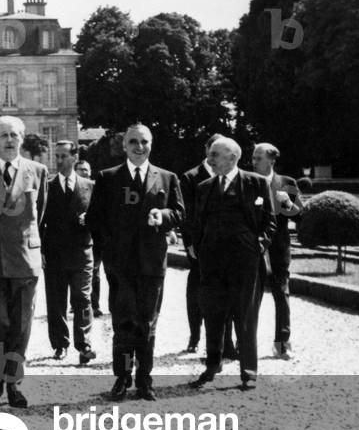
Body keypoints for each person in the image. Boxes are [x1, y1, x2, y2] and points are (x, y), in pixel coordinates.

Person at [86, 123, 184, 401]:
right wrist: (110, 247)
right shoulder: (108, 177)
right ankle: (123, 377)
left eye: (144, 142)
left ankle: (144, 379)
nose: (139, 147)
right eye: (133, 142)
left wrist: (163, 216)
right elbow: (95, 218)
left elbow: (179, 213)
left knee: (148, 323)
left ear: (151, 144)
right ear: (124, 146)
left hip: (152, 264)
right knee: (124, 323)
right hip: (121, 265)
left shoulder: (167, 177)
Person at [0, 115, 48, 409]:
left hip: (24, 261)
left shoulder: (37, 171)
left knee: (21, 325)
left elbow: (39, 215)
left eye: (15, 135)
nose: (10, 140)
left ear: (22, 138)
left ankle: (13, 383)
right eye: (4, 135)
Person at [189, 137, 276, 391]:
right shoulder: (204, 187)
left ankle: (248, 372)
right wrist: (198, 247)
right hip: (212, 264)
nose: (210, 159)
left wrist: (258, 246)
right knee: (213, 315)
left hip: (245, 263)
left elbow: (269, 222)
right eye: (211, 154)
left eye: (215, 154)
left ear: (233, 158)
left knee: (246, 317)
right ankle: (212, 366)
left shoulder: (256, 183)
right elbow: (198, 222)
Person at [39, 141, 96, 365]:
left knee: (82, 298)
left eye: (64, 156)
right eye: (57, 156)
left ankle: (84, 345)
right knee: (56, 301)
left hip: (82, 252)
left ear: (75, 157)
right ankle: (60, 344)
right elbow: (40, 221)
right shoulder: (48, 186)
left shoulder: (89, 185)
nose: (59, 160)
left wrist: (89, 220)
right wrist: (42, 250)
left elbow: (99, 216)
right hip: (54, 253)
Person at [180, 134, 236, 357]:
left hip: (226, 245)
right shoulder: (191, 177)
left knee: (227, 292)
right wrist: (189, 243)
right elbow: (186, 214)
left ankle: (226, 341)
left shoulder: (230, 175)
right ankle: (195, 335)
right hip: (200, 245)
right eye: (212, 150)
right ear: (206, 149)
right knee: (196, 292)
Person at [251, 143, 304, 359]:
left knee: (281, 295)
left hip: (279, 248)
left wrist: (289, 203)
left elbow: (299, 216)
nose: (253, 162)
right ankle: (246, 347)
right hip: (254, 248)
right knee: (251, 299)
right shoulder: (248, 181)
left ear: (271, 161)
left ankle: (282, 345)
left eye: (257, 158)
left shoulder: (287, 183)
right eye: (253, 158)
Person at [75, 159, 104, 318]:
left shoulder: (96, 186)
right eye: (80, 169)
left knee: (95, 271)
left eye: (86, 169)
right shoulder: (72, 186)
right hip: (76, 236)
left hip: (94, 235)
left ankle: (95, 304)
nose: (84, 172)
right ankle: (77, 303)